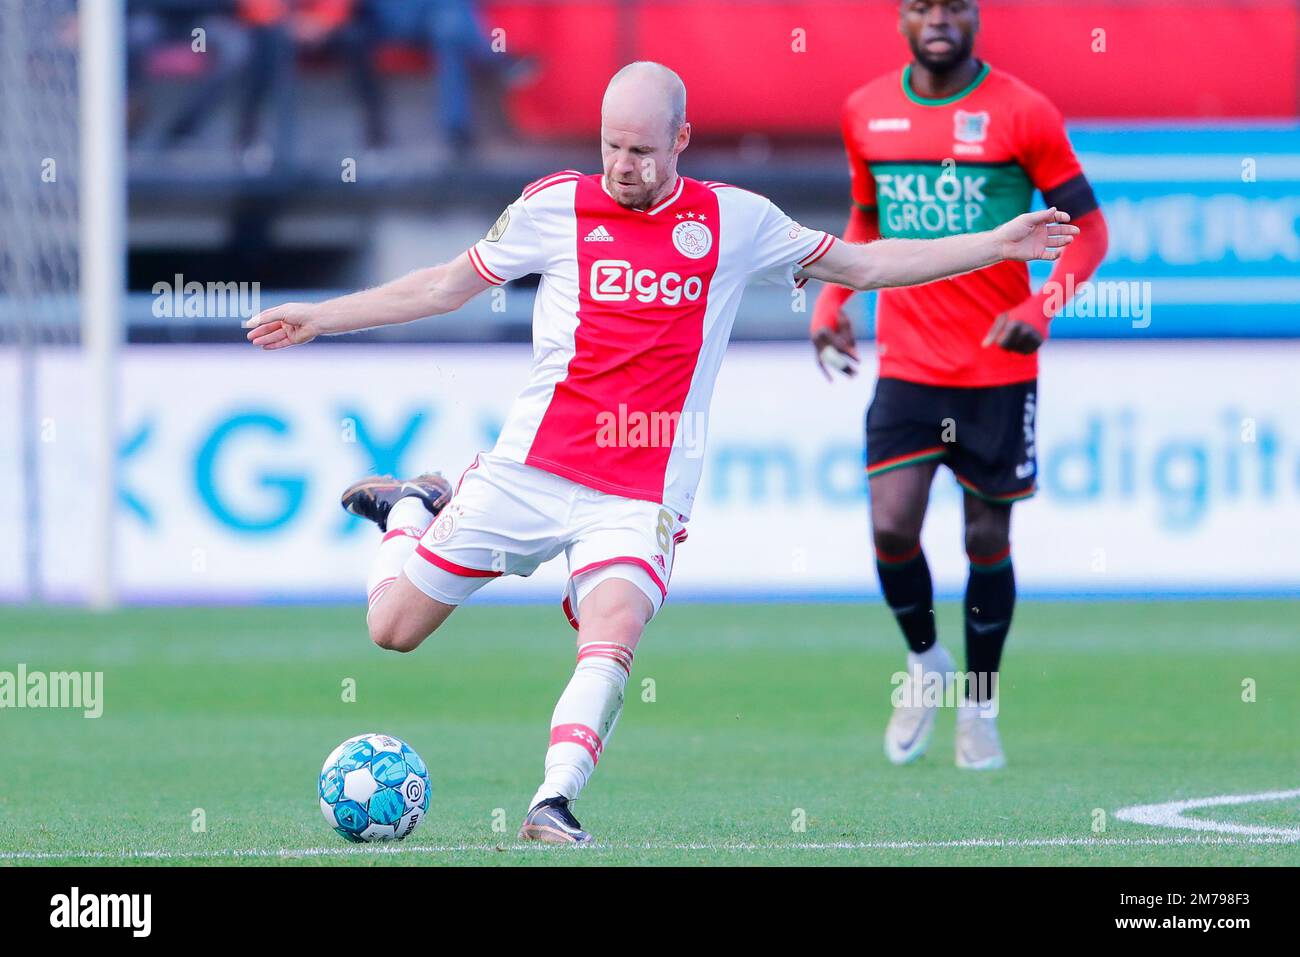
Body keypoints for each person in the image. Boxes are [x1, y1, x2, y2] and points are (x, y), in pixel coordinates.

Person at [244, 61, 1079, 843]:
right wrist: (322, 314)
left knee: (613, 629)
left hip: (638, 492)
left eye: (641, 149)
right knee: (391, 630)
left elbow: (861, 263)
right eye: (609, 145)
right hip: (528, 469)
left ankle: (552, 798)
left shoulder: (736, 220)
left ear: (681, 139)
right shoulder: (554, 206)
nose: (622, 165)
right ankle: (411, 509)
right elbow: (441, 286)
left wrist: (993, 244)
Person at [811, 0, 1109, 770]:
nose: (938, 18)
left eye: (953, 6)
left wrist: (1039, 308)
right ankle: (925, 662)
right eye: (921, 7)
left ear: (974, 17)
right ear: (901, 20)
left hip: (996, 369)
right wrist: (834, 299)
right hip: (908, 361)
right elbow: (866, 216)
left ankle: (979, 701)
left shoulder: (1023, 112)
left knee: (986, 537)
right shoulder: (865, 111)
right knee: (890, 525)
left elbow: (1091, 230)